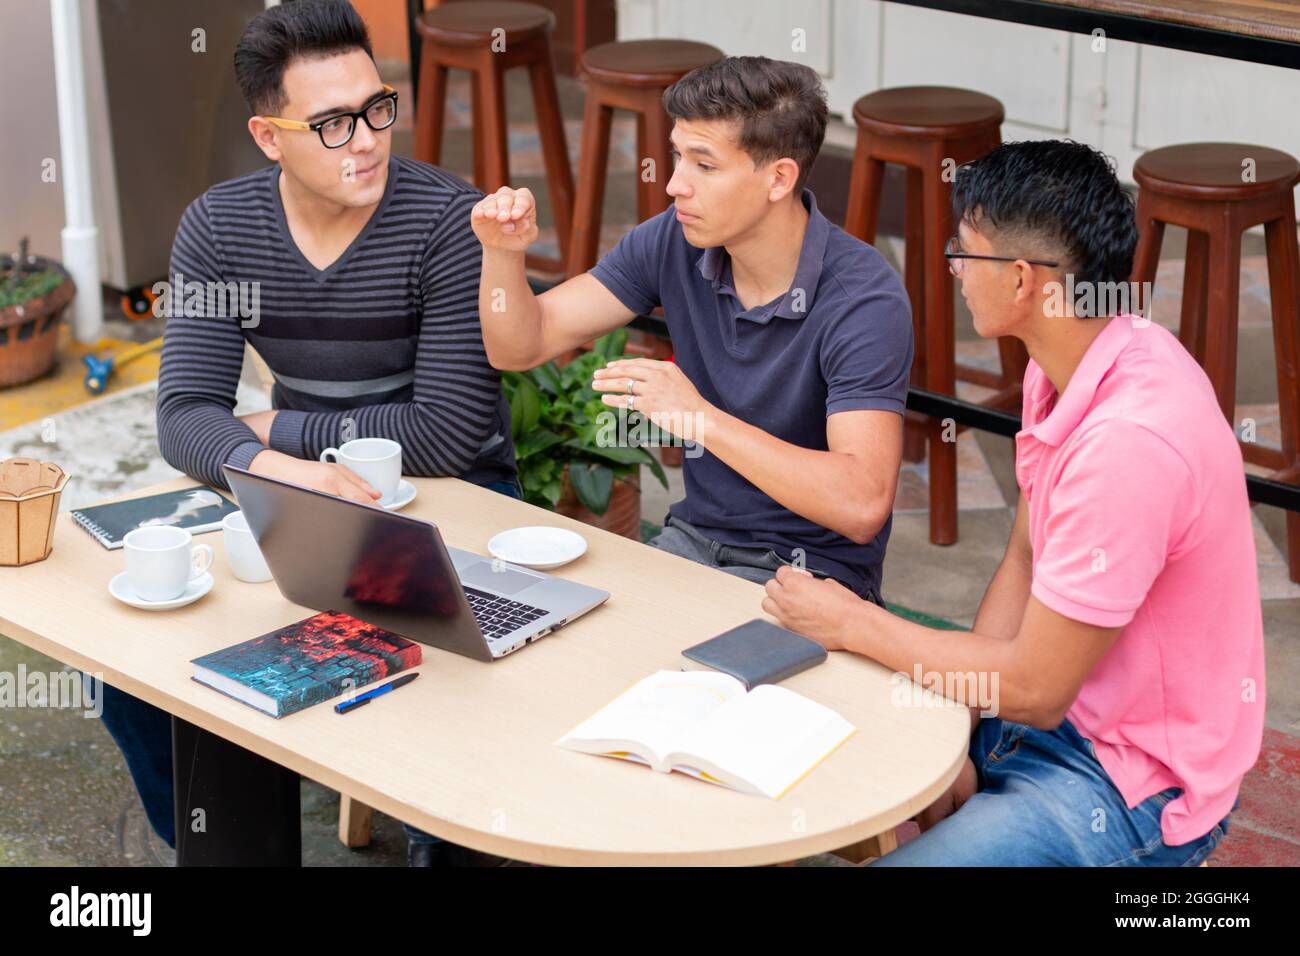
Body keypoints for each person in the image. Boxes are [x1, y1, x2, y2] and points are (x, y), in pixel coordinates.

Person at [763, 140, 1265, 866]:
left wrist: (857, 624)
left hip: (1122, 783)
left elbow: (1034, 688)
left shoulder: (1129, 445)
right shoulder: (1077, 359)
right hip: (1035, 720)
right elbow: (1025, 558)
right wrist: (957, 734)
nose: (955, 271)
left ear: (1023, 280)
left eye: (964, 252)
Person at [99, 0, 515, 866]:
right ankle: (226, 845)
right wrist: (273, 467)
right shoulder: (219, 228)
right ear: (268, 135)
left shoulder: (447, 224)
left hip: (455, 506)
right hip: (305, 501)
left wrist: (280, 429)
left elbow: (444, 435)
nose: (365, 140)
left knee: (440, 699)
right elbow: (185, 416)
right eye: (329, 124)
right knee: (130, 672)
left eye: (376, 109)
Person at [471, 56, 913, 605]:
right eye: (679, 156)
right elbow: (519, 345)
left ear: (779, 178)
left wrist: (697, 417)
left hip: (812, 577)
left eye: (704, 165)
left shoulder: (863, 299)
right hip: (692, 543)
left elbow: (861, 505)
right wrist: (501, 255)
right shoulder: (674, 241)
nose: (675, 185)